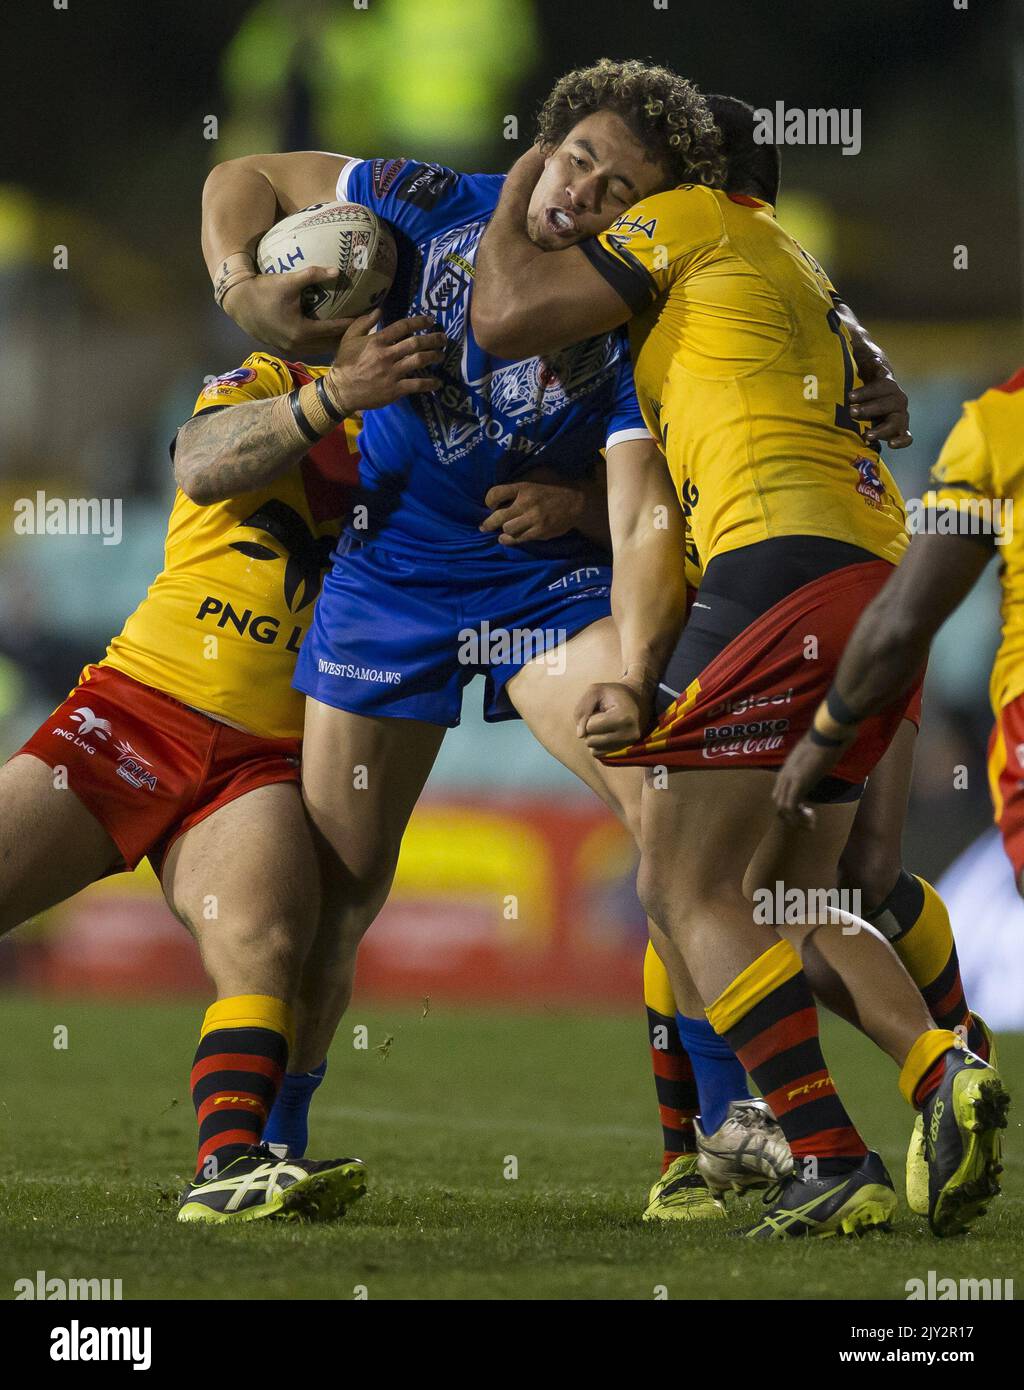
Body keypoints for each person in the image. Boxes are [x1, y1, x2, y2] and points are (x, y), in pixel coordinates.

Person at [470, 81, 1008, 1238]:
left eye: (619, 179)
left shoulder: (684, 226)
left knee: (680, 881)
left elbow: (504, 317)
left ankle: (838, 1143)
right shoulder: (792, 264)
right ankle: (946, 1068)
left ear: (683, 183)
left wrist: (524, 170)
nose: (601, 201)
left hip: (778, 567)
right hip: (876, 573)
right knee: (808, 889)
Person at [0, 312, 444, 1223]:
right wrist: (335, 396)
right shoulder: (267, 378)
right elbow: (201, 466)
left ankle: (230, 1166)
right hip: (133, 711)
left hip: (264, 760)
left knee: (265, 942)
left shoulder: (445, 444)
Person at [773, 371, 1022, 1225]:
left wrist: (827, 734)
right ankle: (957, 1056)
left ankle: (909, 1088)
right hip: (858, 574)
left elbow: (908, 617)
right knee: (861, 877)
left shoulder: (997, 424)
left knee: (728, 890)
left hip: (780, 601)